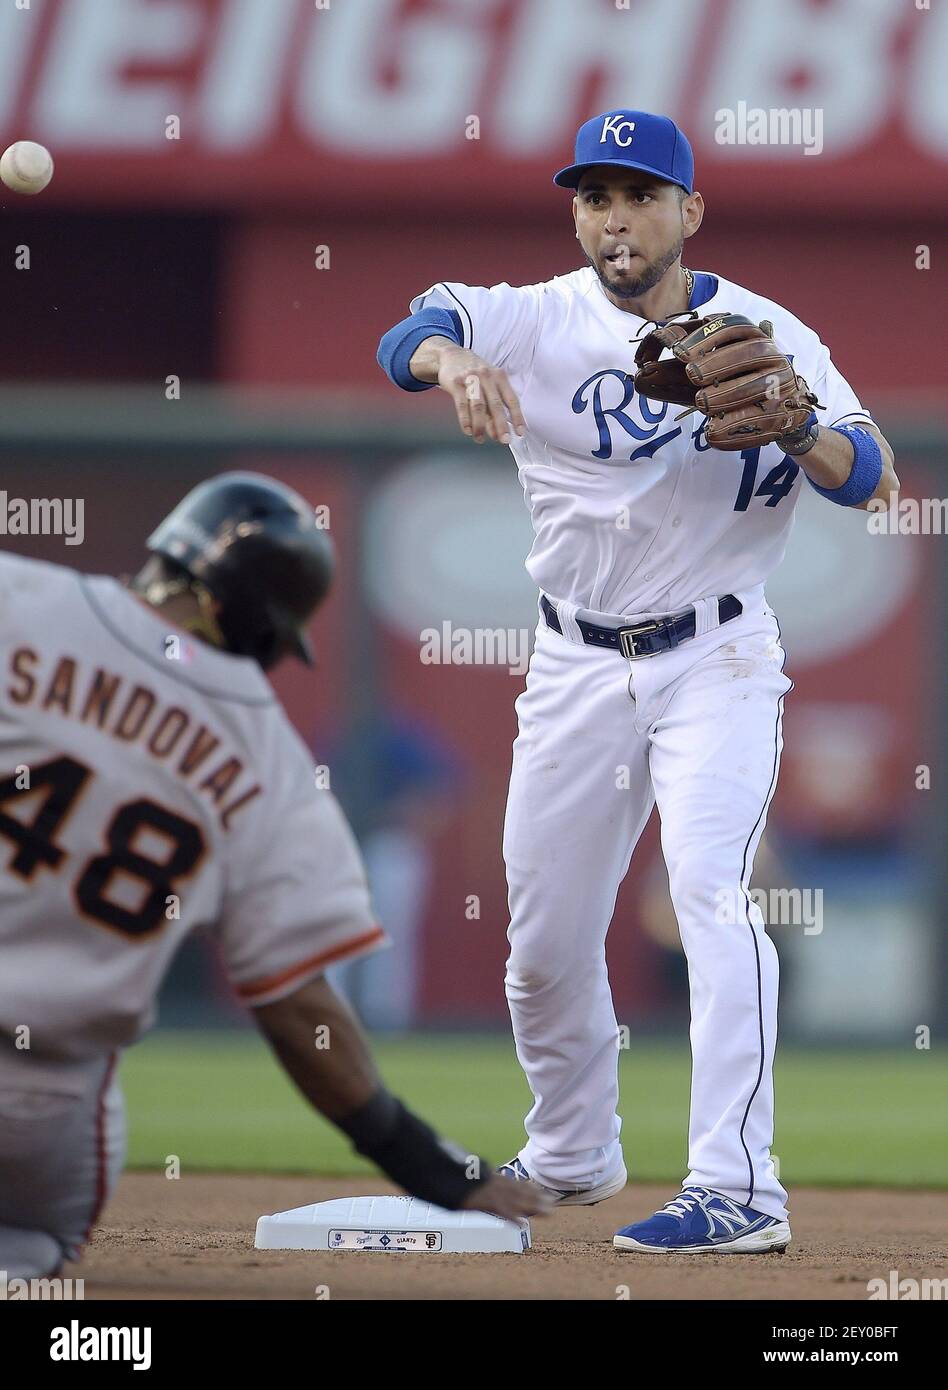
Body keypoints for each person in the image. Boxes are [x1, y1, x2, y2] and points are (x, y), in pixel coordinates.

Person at [377, 109, 897, 1254]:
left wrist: (804, 427)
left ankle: (739, 1186)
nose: (615, 218)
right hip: (572, 662)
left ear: (688, 212)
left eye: (640, 195)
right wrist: (454, 358)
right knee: (543, 944)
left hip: (717, 656)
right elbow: (407, 333)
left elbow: (873, 477)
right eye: (595, 197)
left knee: (713, 897)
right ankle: (570, 1152)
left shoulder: (770, 331)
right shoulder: (533, 317)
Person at [0, 471, 548, 1280]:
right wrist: (425, 1163)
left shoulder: (20, 594)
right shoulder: (271, 763)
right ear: (260, 623)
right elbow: (297, 1006)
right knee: (29, 1249)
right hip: (43, 1114)